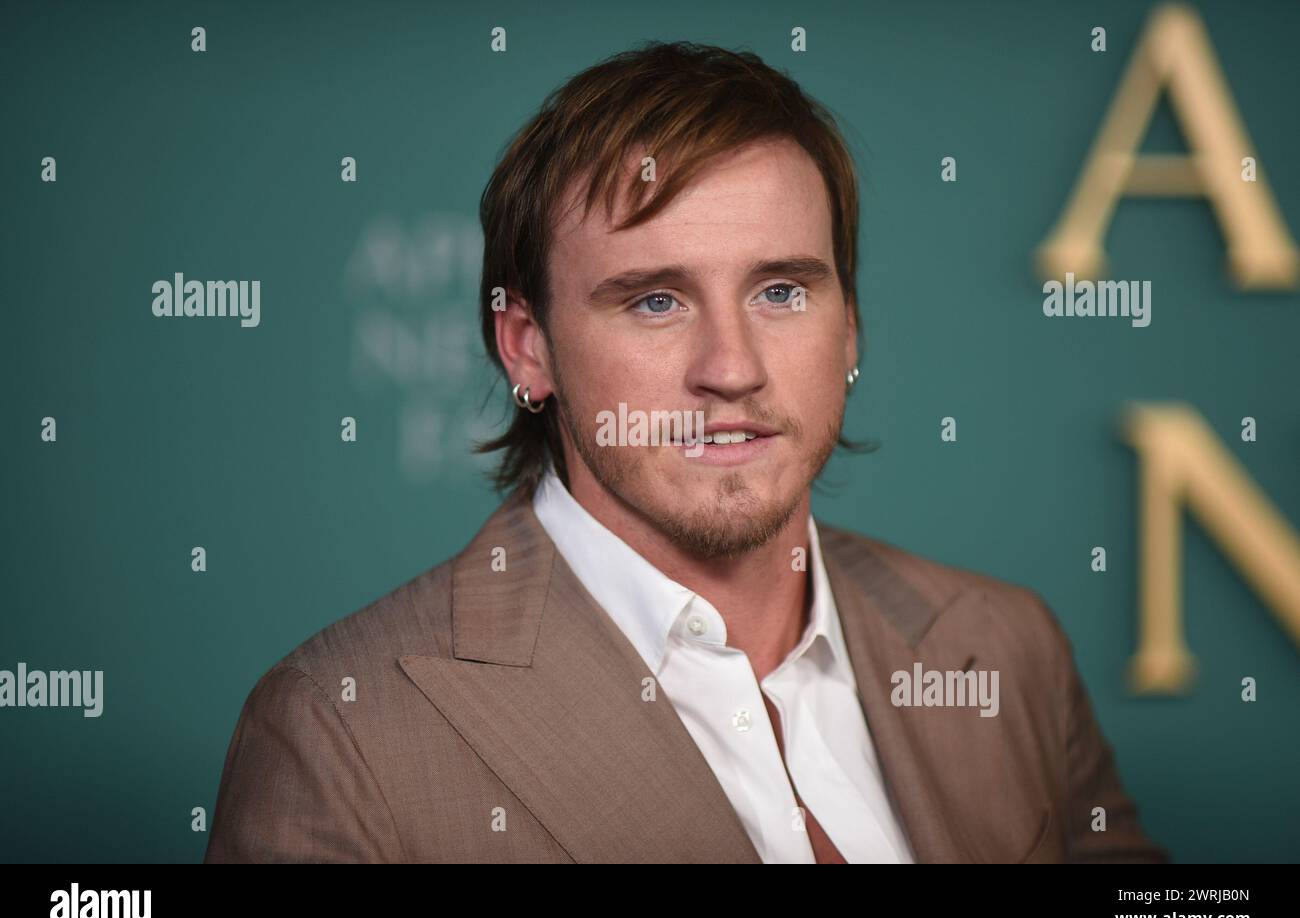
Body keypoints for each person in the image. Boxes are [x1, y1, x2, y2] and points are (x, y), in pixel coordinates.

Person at [205, 41, 1167, 863]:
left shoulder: (1006, 647)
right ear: (527, 347)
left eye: (782, 291)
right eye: (655, 300)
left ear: (852, 330)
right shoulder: (341, 733)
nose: (732, 368)